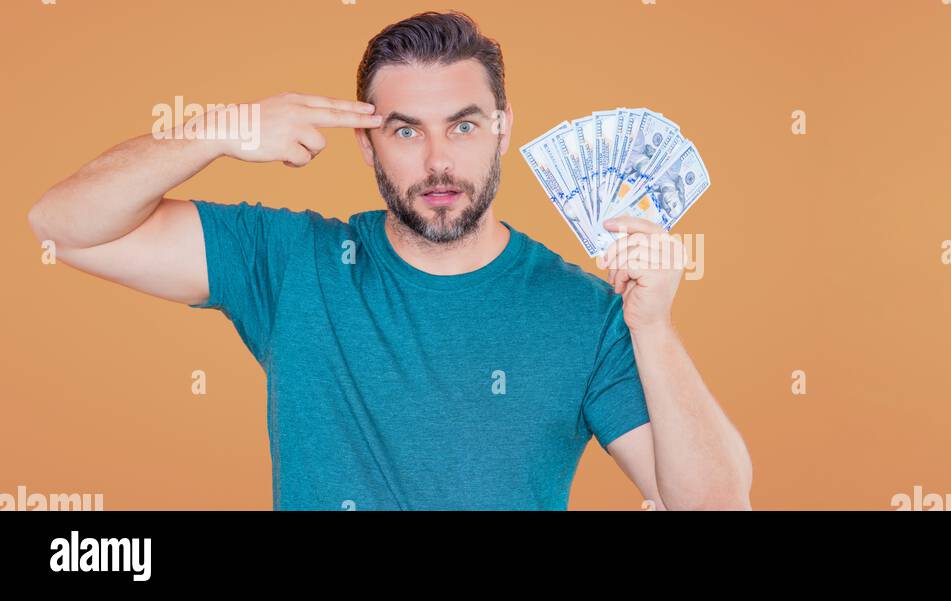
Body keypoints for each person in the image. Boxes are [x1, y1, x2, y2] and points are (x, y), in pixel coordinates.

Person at [27, 10, 751, 510]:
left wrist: (653, 327)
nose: (439, 161)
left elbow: (716, 504)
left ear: (502, 132)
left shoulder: (587, 312)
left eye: (463, 126)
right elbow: (63, 224)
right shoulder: (291, 263)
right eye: (406, 132)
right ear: (367, 145)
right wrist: (219, 130)